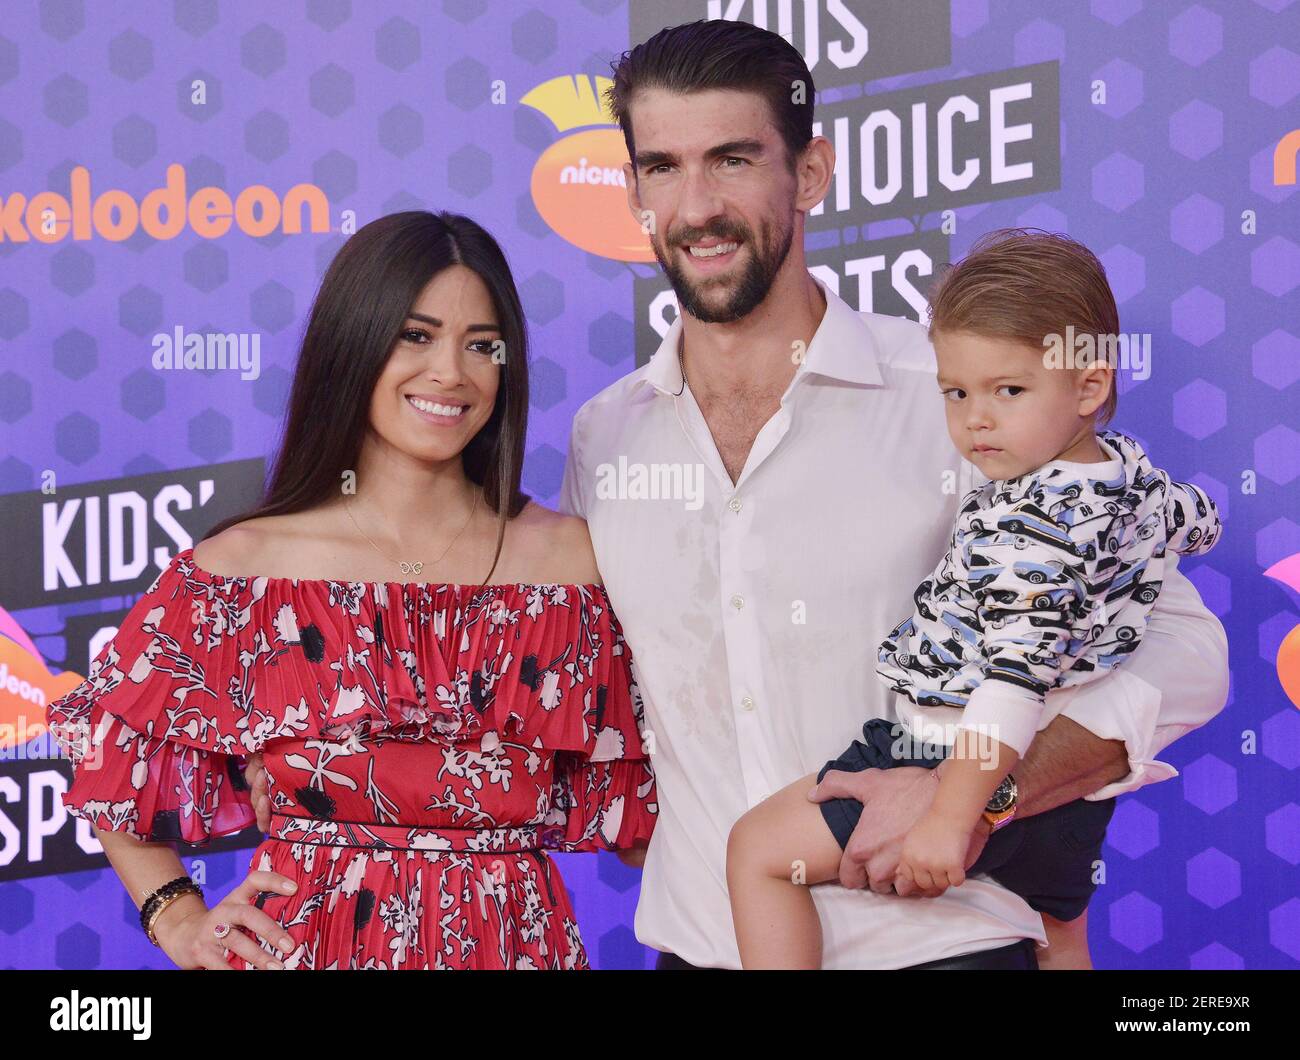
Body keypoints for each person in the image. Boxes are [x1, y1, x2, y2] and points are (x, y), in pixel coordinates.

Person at [558, 19, 1229, 971]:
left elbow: (1188, 652)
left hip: (946, 948)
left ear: (813, 173)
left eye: (735, 159)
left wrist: (975, 792)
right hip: (701, 946)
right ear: (632, 191)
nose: (697, 204)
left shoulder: (954, 398)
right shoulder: (605, 436)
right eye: (662, 167)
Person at [45, 210, 656, 970]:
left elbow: (655, 803)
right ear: (353, 342)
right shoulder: (247, 568)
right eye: (416, 335)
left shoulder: (571, 563)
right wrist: (176, 917)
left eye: (481, 346)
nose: (450, 374)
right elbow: (108, 750)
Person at [725, 229, 1223, 969]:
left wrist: (949, 814)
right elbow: (1198, 518)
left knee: (756, 853)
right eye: (956, 393)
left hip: (948, 754)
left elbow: (1015, 678)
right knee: (1060, 942)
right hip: (1072, 814)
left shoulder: (1034, 528)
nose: (975, 419)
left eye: (1007, 391)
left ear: (1089, 387)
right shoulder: (1127, 480)